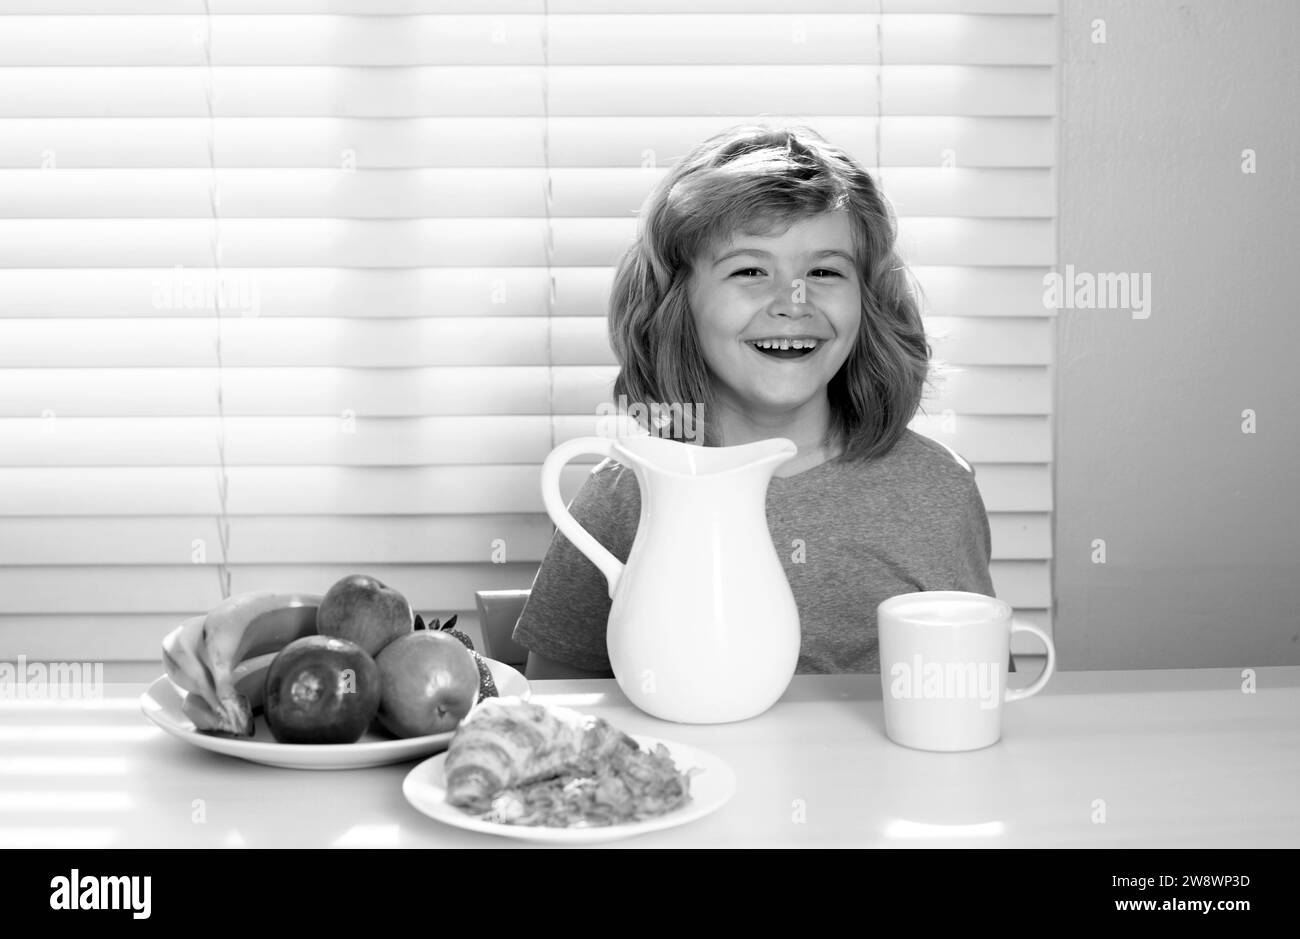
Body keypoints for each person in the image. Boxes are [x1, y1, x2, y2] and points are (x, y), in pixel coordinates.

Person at [514, 123, 1004, 680]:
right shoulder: (626, 492)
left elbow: (981, 691)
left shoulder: (938, 493)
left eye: (824, 271)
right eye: (749, 270)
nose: (792, 302)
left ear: (868, 301)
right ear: (678, 304)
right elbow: (557, 703)